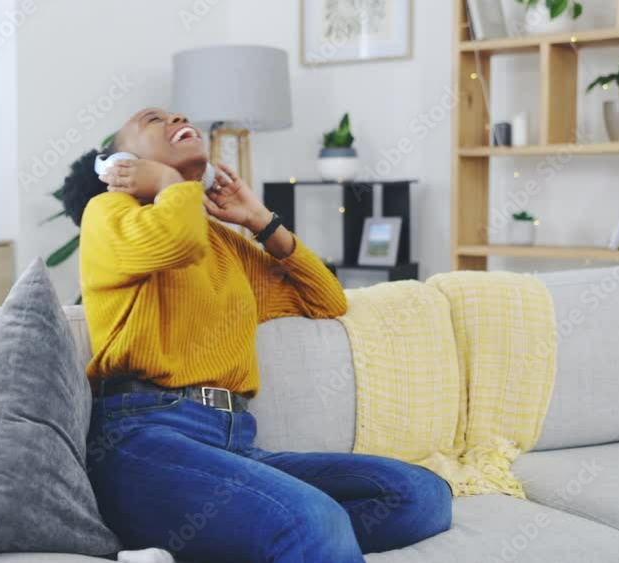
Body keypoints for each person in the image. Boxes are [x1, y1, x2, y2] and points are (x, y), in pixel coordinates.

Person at [61, 108, 452, 563]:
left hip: (235, 442)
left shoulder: (225, 245)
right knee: (314, 518)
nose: (177, 117)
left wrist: (262, 222)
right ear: (116, 163)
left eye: (176, 114)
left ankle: (254, 540)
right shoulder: (108, 213)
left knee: (422, 495)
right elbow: (175, 242)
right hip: (143, 439)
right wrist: (169, 182)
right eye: (154, 119)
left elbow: (326, 301)